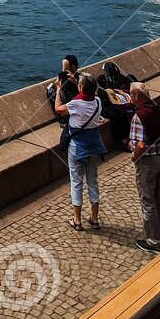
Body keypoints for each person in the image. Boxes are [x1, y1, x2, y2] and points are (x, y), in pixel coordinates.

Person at [54, 74, 105, 231]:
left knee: (76, 182)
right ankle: (94, 218)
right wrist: (80, 83)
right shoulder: (97, 101)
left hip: (77, 147)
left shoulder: (75, 104)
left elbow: (58, 109)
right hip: (95, 146)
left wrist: (58, 90)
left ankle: (77, 219)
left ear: (81, 87)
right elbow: (87, 94)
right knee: (93, 181)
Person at [128, 82, 160, 252]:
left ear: (137, 96)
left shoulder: (139, 116)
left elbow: (141, 145)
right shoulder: (157, 109)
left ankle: (154, 240)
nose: (130, 97)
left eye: (131, 94)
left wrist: (134, 158)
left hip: (146, 163)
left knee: (147, 201)